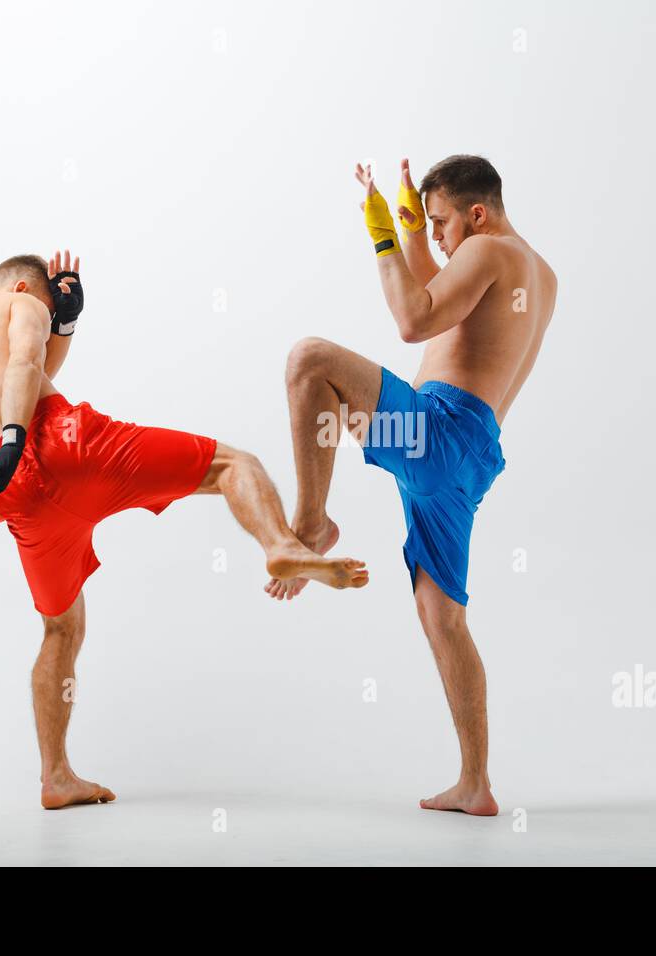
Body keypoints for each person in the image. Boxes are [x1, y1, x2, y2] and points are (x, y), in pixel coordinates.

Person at [0, 251, 368, 809]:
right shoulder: (20, 301)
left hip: (14, 495)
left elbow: (11, 380)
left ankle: (55, 777)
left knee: (61, 629)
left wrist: (64, 328)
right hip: (63, 442)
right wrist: (16, 431)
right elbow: (26, 363)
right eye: (48, 302)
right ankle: (280, 544)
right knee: (233, 464)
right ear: (28, 285)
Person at [272, 157, 557, 815]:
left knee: (309, 360)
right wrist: (411, 235)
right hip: (468, 460)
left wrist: (377, 232)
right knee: (442, 617)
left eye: (442, 224)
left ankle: (312, 522)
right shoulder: (535, 271)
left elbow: (413, 320)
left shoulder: (486, 248)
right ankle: (475, 784)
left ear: (477, 214)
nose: (441, 238)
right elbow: (448, 301)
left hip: (438, 433)